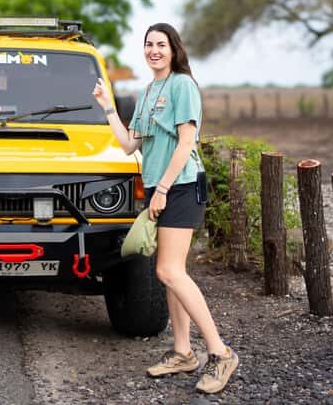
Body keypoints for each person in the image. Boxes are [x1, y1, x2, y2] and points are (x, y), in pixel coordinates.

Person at [92, 22, 239, 395]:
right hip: (161, 187)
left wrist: (162, 190)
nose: (154, 50)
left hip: (182, 186)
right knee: (172, 273)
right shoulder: (148, 91)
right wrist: (108, 108)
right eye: (148, 44)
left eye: (161, 44)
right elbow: (129, 144)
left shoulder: (181, 86)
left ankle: (220, 353)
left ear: (174, 49)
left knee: (169, 271)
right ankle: (182, 352)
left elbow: (186, 142)